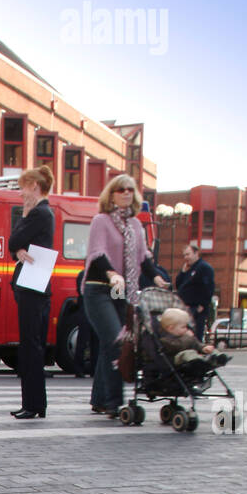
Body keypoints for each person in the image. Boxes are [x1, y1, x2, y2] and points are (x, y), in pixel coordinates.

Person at [83, 174, 157, 418]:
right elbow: (97, 253)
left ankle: (99, 399)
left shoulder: (136, 225)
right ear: (111, 194)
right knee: (116, 342)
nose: (126, 193)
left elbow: (144, 256)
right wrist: (112, 273)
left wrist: (156, 276)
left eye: (130, 190)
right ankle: (114, 402)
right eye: (121, 189)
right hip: (98, 287)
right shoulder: (101, 221)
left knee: (110, 344)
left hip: (120, 290)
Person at [8, 166, 55, 417]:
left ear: (34, 186)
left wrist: (24, 215)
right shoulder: (44, 214)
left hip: (32, 285)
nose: (21, 192)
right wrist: (17, 251)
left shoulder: (39, 213)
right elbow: (15, 247)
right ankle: (35, 404)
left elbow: (13, 241)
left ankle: (33, 404)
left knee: (31, 345)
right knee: (32, 344)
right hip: (35, 283)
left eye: (23, 187)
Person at [157, 307, 228, 372]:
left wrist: (203, 347)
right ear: (171, 328)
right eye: (183, 327)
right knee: (188, 353)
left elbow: (195, 343)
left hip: (191, 357)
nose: (186, 329)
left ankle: (218, 357)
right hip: (177, 359)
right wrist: (188, 337)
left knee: (209, 350)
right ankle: (198, 362)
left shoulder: (184, 336)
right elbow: (178, 346)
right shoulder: (165, 339)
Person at [176, 244, 215, 342]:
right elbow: (178, 285)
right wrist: (183, 272)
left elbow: (209, 287)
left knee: (195, 335)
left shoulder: (204, 268)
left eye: (188, 254)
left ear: (196, 253)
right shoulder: (188, 268)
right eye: (184, 255)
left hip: (196, 307)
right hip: (185, 307)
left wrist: (202, 304)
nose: (186, 258)